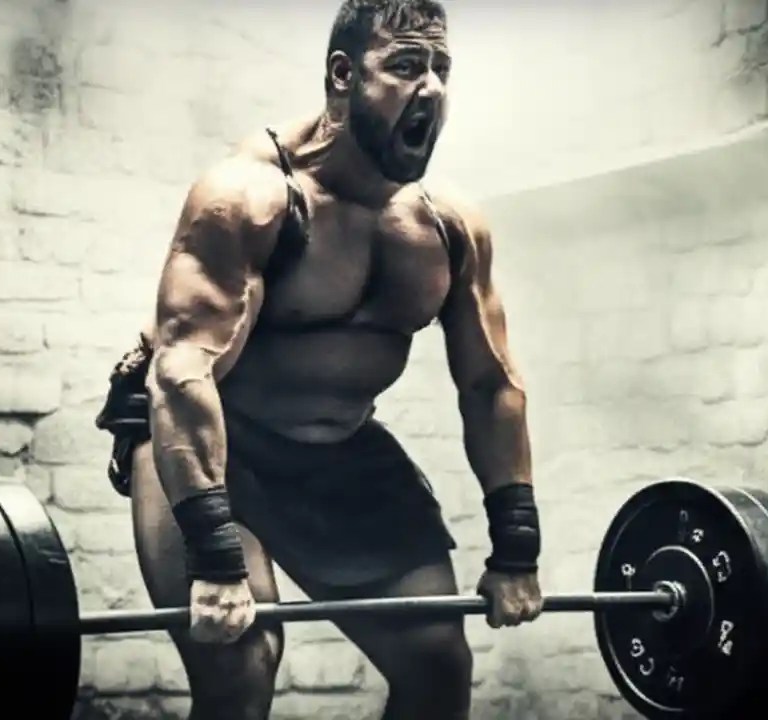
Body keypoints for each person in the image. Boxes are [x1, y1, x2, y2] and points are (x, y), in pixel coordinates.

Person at [94, 1, 543, 718]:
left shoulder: (449, 227)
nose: (430, 89)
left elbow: (490, 384)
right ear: (342, 74)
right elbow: (182, 373)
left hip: (337, 451)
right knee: (241, 663)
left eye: (441, 68)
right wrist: (214, 557)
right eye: (404, 66)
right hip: (209, 442)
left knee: (437, 665)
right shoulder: (249, 198)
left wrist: (516, 542)